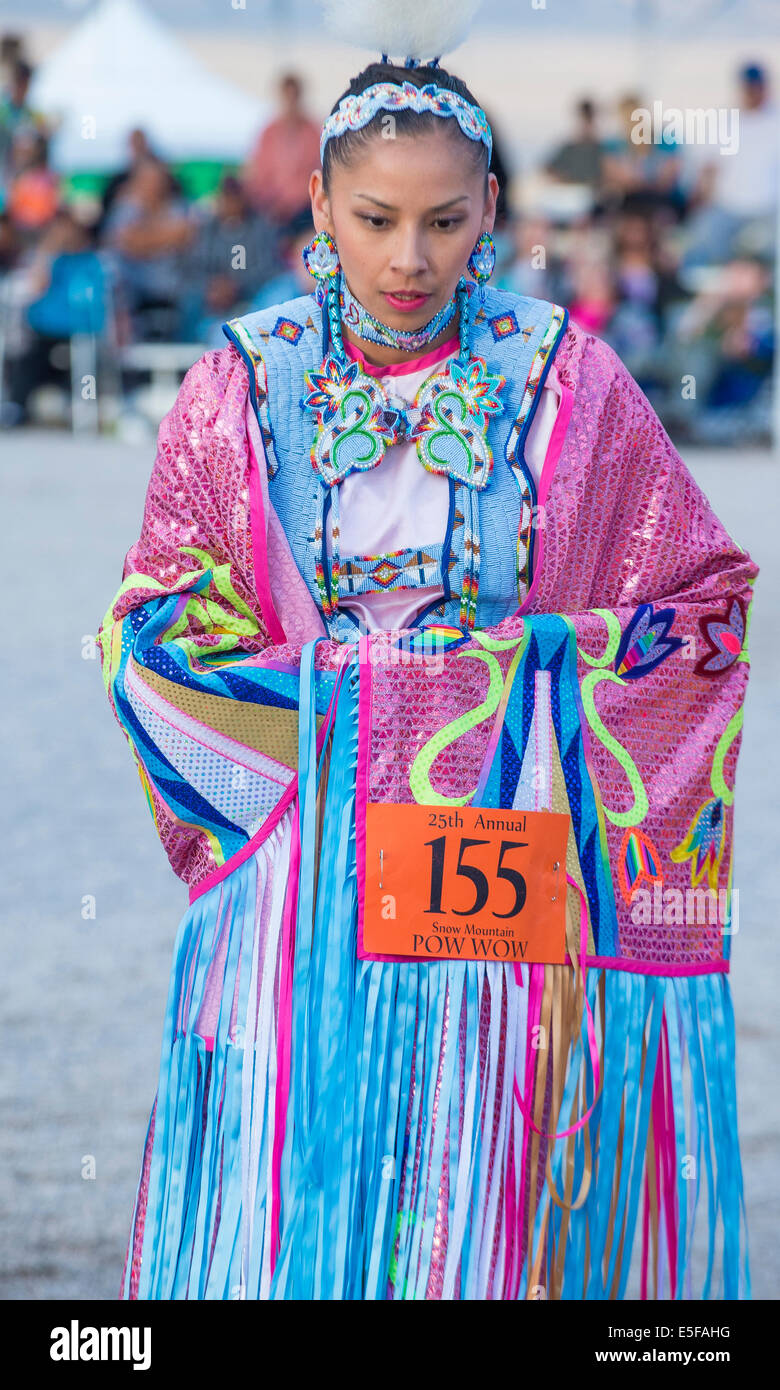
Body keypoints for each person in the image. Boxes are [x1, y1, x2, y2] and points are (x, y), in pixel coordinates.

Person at [97, 0, 758, 1301]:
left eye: (446, 221)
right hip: (308, 847)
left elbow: (703, 600)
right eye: (377, 219)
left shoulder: (565, 376)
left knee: (474, 1147)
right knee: (307, 1143)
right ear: (320, 214)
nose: (411, 255)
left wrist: (534, 665)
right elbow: (155, 623)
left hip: (496, 829)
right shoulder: (244, 382)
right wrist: (331, 706)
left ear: (491, 209)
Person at [242, 71, 322, 226]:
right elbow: (258, 175)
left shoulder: (313, 132)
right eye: (287, 97)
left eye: (293, 96)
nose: (290, 102)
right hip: (271, 212)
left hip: (305, 212)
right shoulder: (269, 133)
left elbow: (318, 172)